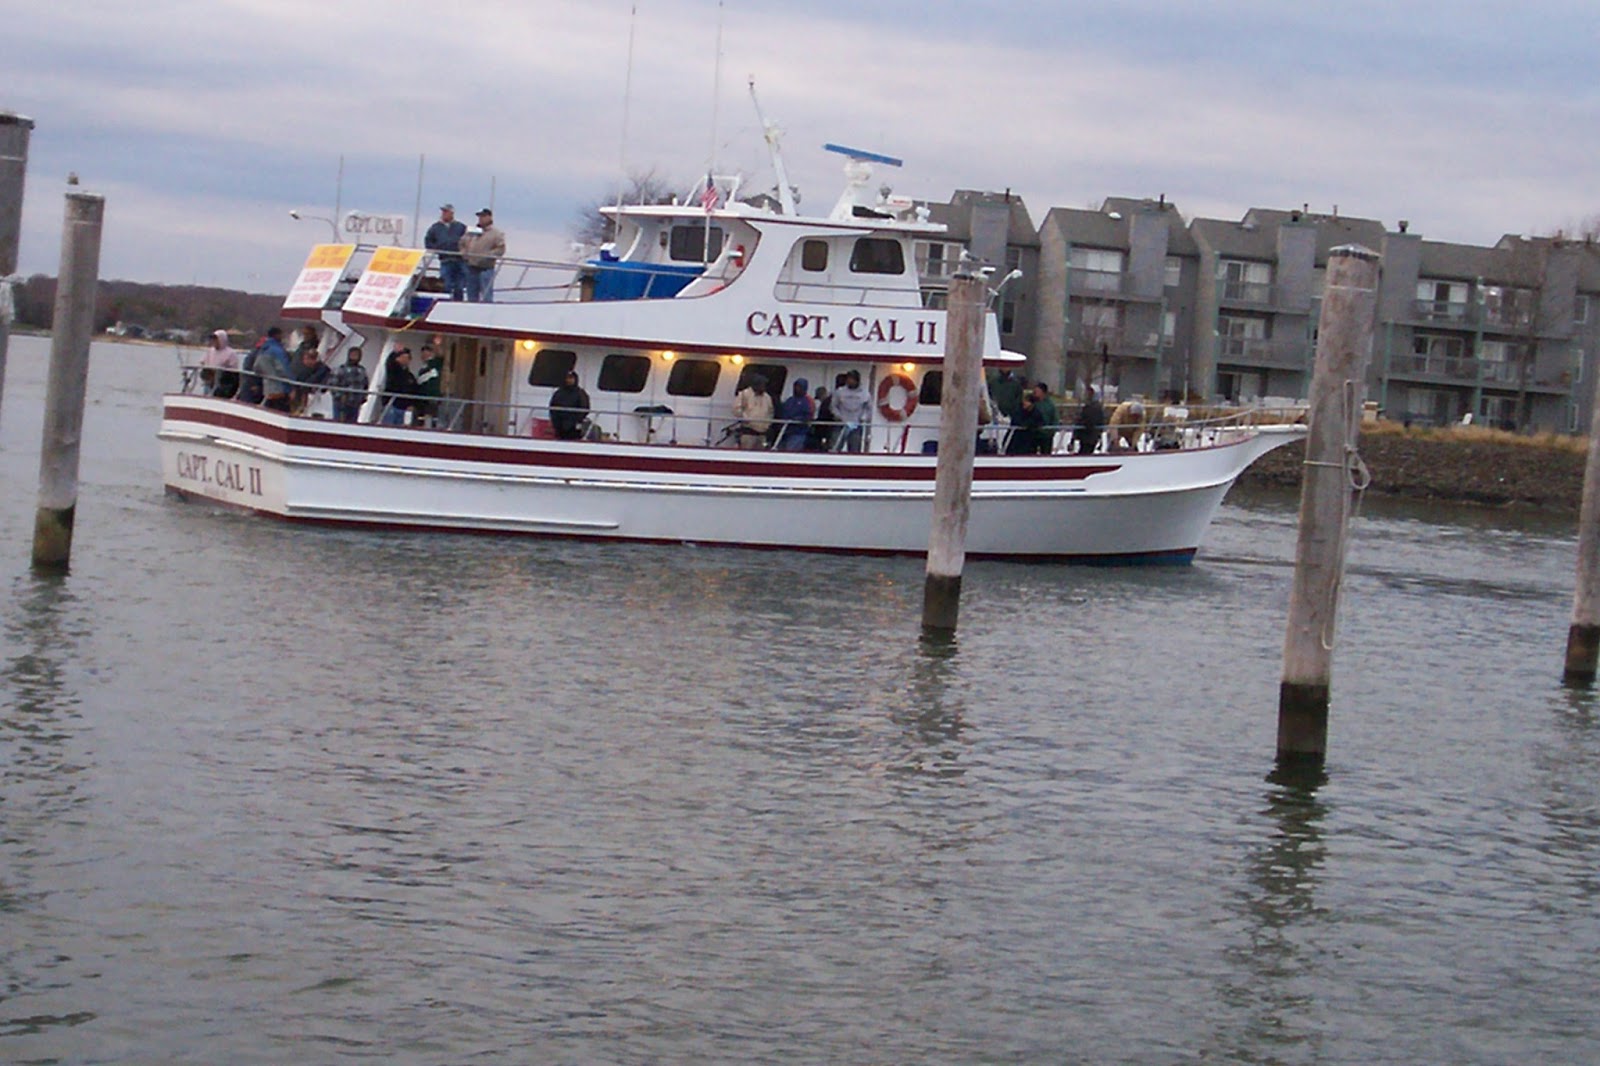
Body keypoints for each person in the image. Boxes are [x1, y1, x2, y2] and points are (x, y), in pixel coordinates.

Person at [460, 207, 506, 303]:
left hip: (486, 267)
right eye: (480, 216)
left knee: (486, 294)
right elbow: (462, 242)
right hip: (471, 266)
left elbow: (501, 249)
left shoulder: (496, 233)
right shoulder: (472, 231)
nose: (481, 218)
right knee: (471, 293)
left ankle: (485, 310)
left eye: (483, 216)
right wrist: (464, 254)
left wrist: (488, 255)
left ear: (489, 217)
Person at [424, 204, 467, 300]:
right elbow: (428, 241)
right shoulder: (435, 227)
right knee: (446, 284)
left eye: (446, 212)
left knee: (459, 286)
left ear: (452, 213)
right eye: (443, 212)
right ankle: (446, 301)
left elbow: (468, 240)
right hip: (445, 260)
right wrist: (438, 248)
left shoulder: (460, 227)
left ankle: (458, 303)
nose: (444, 214)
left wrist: (463, 250)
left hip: (460, 260)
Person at [830, 369, 871, 452]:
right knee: (835, 448)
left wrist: (863, 418)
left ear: (857, 380)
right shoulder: (840, 392)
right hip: (841, 424)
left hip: (855, 425)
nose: (849, 381)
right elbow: (833, 406)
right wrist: (838, 416)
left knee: (854, 450)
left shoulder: (865, 394)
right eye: (848, 378)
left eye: (851, 379)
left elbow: (868, 409)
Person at [254, 327, 293, 411]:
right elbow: (284, 369)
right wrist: (292, 386)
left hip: (268, 389)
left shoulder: (263, 349)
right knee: (283, 412)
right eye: (281, 335)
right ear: (277, 335)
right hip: (280, 390)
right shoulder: (278, 350)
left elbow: (256, 367)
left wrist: (266, 375)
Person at [731, 374, 774, 449]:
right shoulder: (744, 394)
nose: (764, 387)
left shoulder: (767, 397)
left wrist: (767, 424)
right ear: (756, 384)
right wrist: (746, 419)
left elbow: (770, 412)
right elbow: (736, 409)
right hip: (748, 433)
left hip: (762, 434)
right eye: (762, 384)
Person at [380, 347, 420, 425]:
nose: (404, 359)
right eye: (402, 357)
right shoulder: (393, 371)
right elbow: (389, 363)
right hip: (391, 405)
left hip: (404, 408)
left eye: (406, 357)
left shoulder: (410, 377)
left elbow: (414, 391)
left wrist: (412, 404)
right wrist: (394, 352)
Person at [549, 369, 591, 440]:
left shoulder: (580, 393)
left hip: (574, 427)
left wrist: (574, 421)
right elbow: (553, 408)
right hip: (560, 426)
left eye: (571, 378)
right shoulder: (558, 393)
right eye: (567, 378)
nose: (569, 380)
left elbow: (585, 408)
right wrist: (556, 423)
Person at [330, 347, 369, 423]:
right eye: (353, 355)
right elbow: (333, 384)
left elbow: (365, 385)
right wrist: (339, 397)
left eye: (357, 355)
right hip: (341, 403)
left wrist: (363, 397)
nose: (355, 357)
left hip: (355, 403)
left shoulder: (362, 370)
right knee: (339, 423)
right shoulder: (341, 369)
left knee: (352, 423)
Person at [291, 345, 331, 414]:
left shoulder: (323, 370)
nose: (305, 361)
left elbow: (325, 382)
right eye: (304, 358)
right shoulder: (300, 369)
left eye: (308, 358)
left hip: (316, 395)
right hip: (299, 392)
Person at [776, 378, 813, 451]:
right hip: (785, 432)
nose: (796, 388)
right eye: (796, 386)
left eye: (799, 387)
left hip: (798, 433)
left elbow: (808, 416)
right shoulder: (789, 400)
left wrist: (796, 419)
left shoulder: (806, 401)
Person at [199, 329, 239, 399]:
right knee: (206, 395)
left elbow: (233, 370)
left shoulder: (231, 353)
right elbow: (203, 362)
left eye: (216, 339)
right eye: (213, 339)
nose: (213, 341)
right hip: (209, 380)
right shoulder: (210, 351)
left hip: (222, 383)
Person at [414, 344, 444, 426]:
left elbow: (440, 356)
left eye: (426, 353)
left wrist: (437, 345)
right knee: (421, 418)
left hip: (432, 397)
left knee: (430, 417)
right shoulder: (421, 369)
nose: (424, 356)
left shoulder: (435, 363)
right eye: (423, 354)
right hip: (421, 399)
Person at [1074, 385, 1107, 455]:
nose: (1088, 395)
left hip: (1089, 437)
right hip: (1086, 437)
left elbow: (1090, 421)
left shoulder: (1095, 408)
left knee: (1085, 454)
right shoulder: (1088, 406)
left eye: (1091, 393)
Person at [1030, 382, 1058, 454]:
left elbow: (1055, 419)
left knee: (1046, 453)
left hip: (1046, 435)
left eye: (1037, 391)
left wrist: (1051, 432)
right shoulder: (1032, 402)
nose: (1035, 392)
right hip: (1033, 434)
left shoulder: (1050, 405)